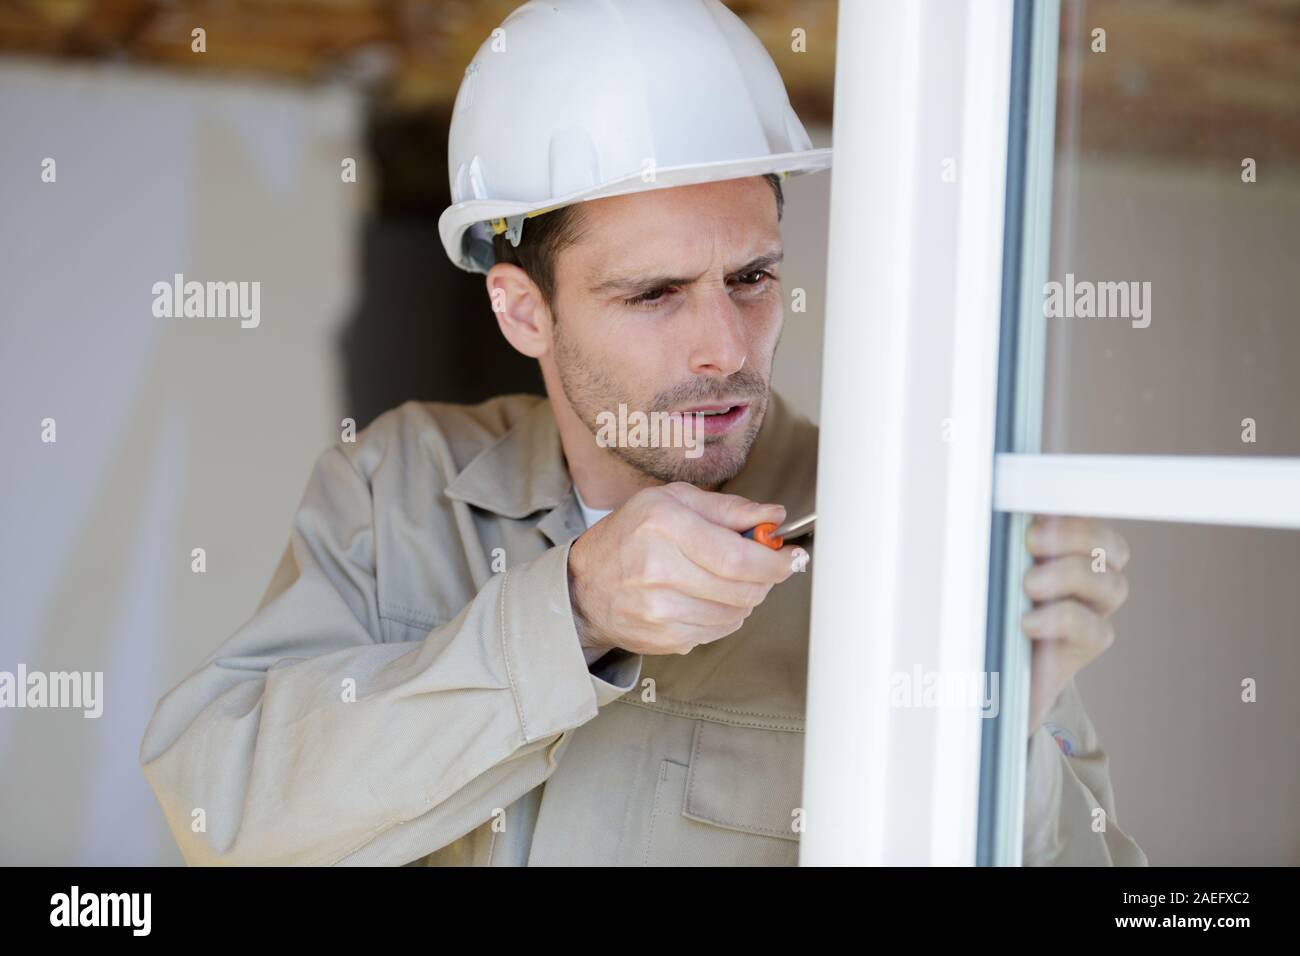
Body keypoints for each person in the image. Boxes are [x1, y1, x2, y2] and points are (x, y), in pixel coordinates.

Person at [139, 0, 1146, 866]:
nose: (724, 344)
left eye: (751, 277)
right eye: (654, 293)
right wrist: (569, 613)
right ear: (523, 310)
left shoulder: (907, 544)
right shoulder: (396, 488)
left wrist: (1005, 727)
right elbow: (220, 817)